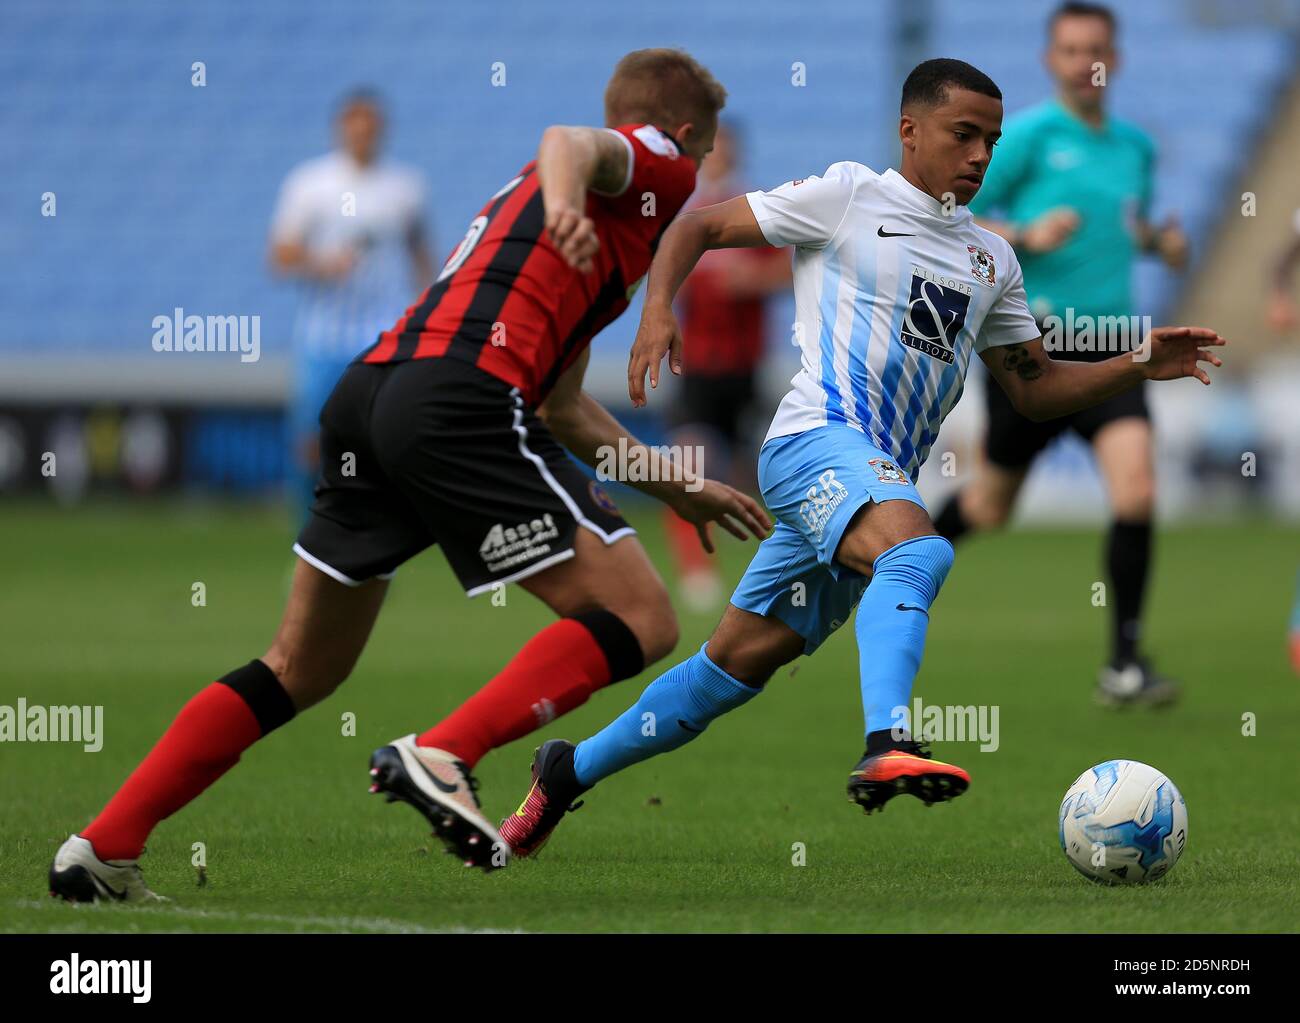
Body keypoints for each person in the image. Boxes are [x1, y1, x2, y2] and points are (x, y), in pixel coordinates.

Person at [49, 48, 769, 900]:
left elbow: (566, 409)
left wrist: (682, 488)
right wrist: (574, 201)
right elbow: (569, 142)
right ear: (682, 135)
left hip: (372, 393)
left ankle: (103, 845)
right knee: (641, 615)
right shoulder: (644, 159)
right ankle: (444, 751)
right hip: (456, 396)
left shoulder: (563, 234)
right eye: (702, 152)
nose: (700, 171)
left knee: (299, 666)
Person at [497, 58, 1226, 859]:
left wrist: (1133, 362)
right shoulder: (848, 197)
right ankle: (885, 739)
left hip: (871, 479)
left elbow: (1036, 387)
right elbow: (695, 225)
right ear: (909, 131)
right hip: (814, 443)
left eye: (991, 139)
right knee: (917, 550)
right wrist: (658, 312)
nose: (981, 155)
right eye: (963, 134)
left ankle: (565, 771)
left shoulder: (992, 261)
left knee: (726, 672)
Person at [928, 3, 1190, 707]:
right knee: (988, 505)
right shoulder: (1028, 137)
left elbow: (1122, 229)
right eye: (1072, 49)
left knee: (1136, 488)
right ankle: (890, 565)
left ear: (1116, 57)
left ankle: (1125, 664)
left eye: (1097, 49)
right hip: (1033, 347)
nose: (1085, 62)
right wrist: (1025, 232)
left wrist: (1156, 244)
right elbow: (952, 211)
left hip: (1113, 347)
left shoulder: (1135, 146)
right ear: (1051, 59)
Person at [269, 90, 433, 517]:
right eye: (355, 126)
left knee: (385, 438)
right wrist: (320, 264)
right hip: (323, 336)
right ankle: (310, 537)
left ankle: (373, 535)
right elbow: (279, 256)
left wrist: (430, 308)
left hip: (382, 335)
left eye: (371, 126)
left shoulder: (405, 187)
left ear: (381, 130)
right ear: (341, 129)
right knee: (313, 442)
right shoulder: (310, 184)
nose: (363, 134)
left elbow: (420, 254)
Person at [661, 121, 792, 611]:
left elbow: (790, 270)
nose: (719, 158)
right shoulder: (684, 218)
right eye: (711, 151)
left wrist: (752, 280)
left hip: (745, 367)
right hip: (696, 368)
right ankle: (697, 575)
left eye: (727, 150)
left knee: (753, 477)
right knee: (687, 465)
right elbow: (657, 280)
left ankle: (783, 571)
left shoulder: (753, 213)